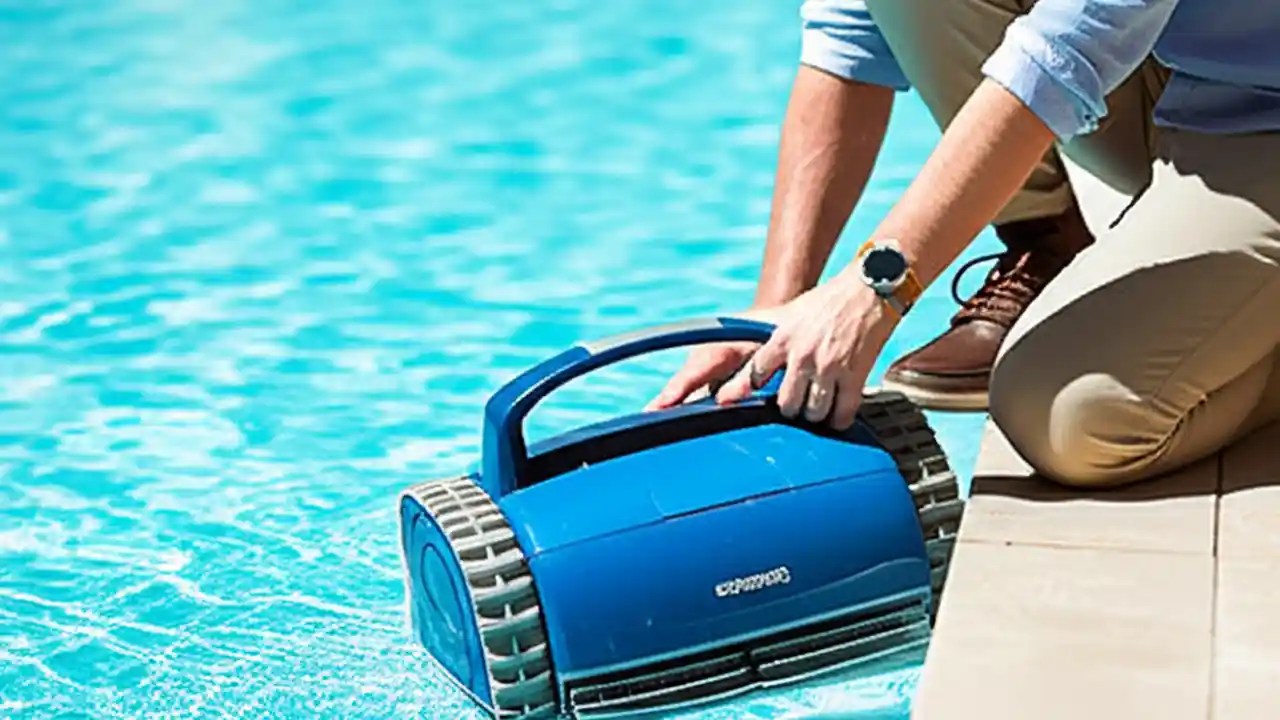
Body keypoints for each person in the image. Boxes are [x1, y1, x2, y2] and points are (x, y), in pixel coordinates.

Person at [652, 0, 1280, 488]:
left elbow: (1068, 48)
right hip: (1181, 84)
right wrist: (773, 314)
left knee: (1073, 417)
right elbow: (851, 30)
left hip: (1262, 121)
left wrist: (876, 287)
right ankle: (1046, 241)